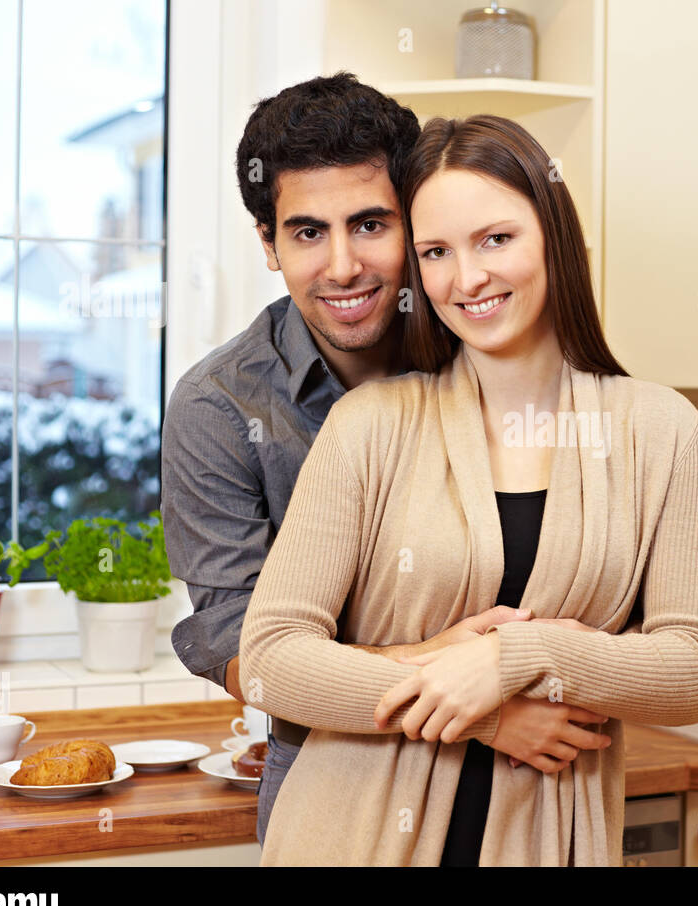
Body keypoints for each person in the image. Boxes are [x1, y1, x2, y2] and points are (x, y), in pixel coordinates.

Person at [239, 114, 698, 866]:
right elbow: (273, 658)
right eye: (436, 252)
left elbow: (693, 669)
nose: (467, 279)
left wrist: (514, 659)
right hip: (347, 836)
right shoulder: (369, 425)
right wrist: (462, 694)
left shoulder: (658, 430)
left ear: (554, 237)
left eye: (496, 239)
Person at [161, 74, 614, 848]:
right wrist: (477, 701)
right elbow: (249, 656)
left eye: (371, 224)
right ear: (268, 245)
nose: (342, 267)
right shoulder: (219, 408)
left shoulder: (496, 347)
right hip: (334, 775)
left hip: (537, 788)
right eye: (307, 233)